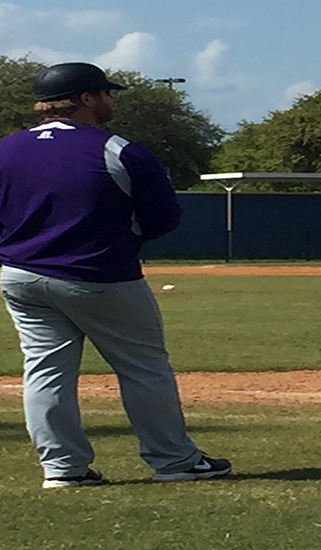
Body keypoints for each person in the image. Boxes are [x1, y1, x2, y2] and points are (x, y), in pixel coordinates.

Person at [0, 62, 231, 487]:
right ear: (86, 98)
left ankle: (63, 469)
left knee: (45, 370)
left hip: (19, 274)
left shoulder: (6, 148)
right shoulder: (117, 149)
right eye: (105, 93)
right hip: (99, 274)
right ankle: (173, 461)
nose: (110, 100)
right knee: (143, 367)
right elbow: (164, 217)